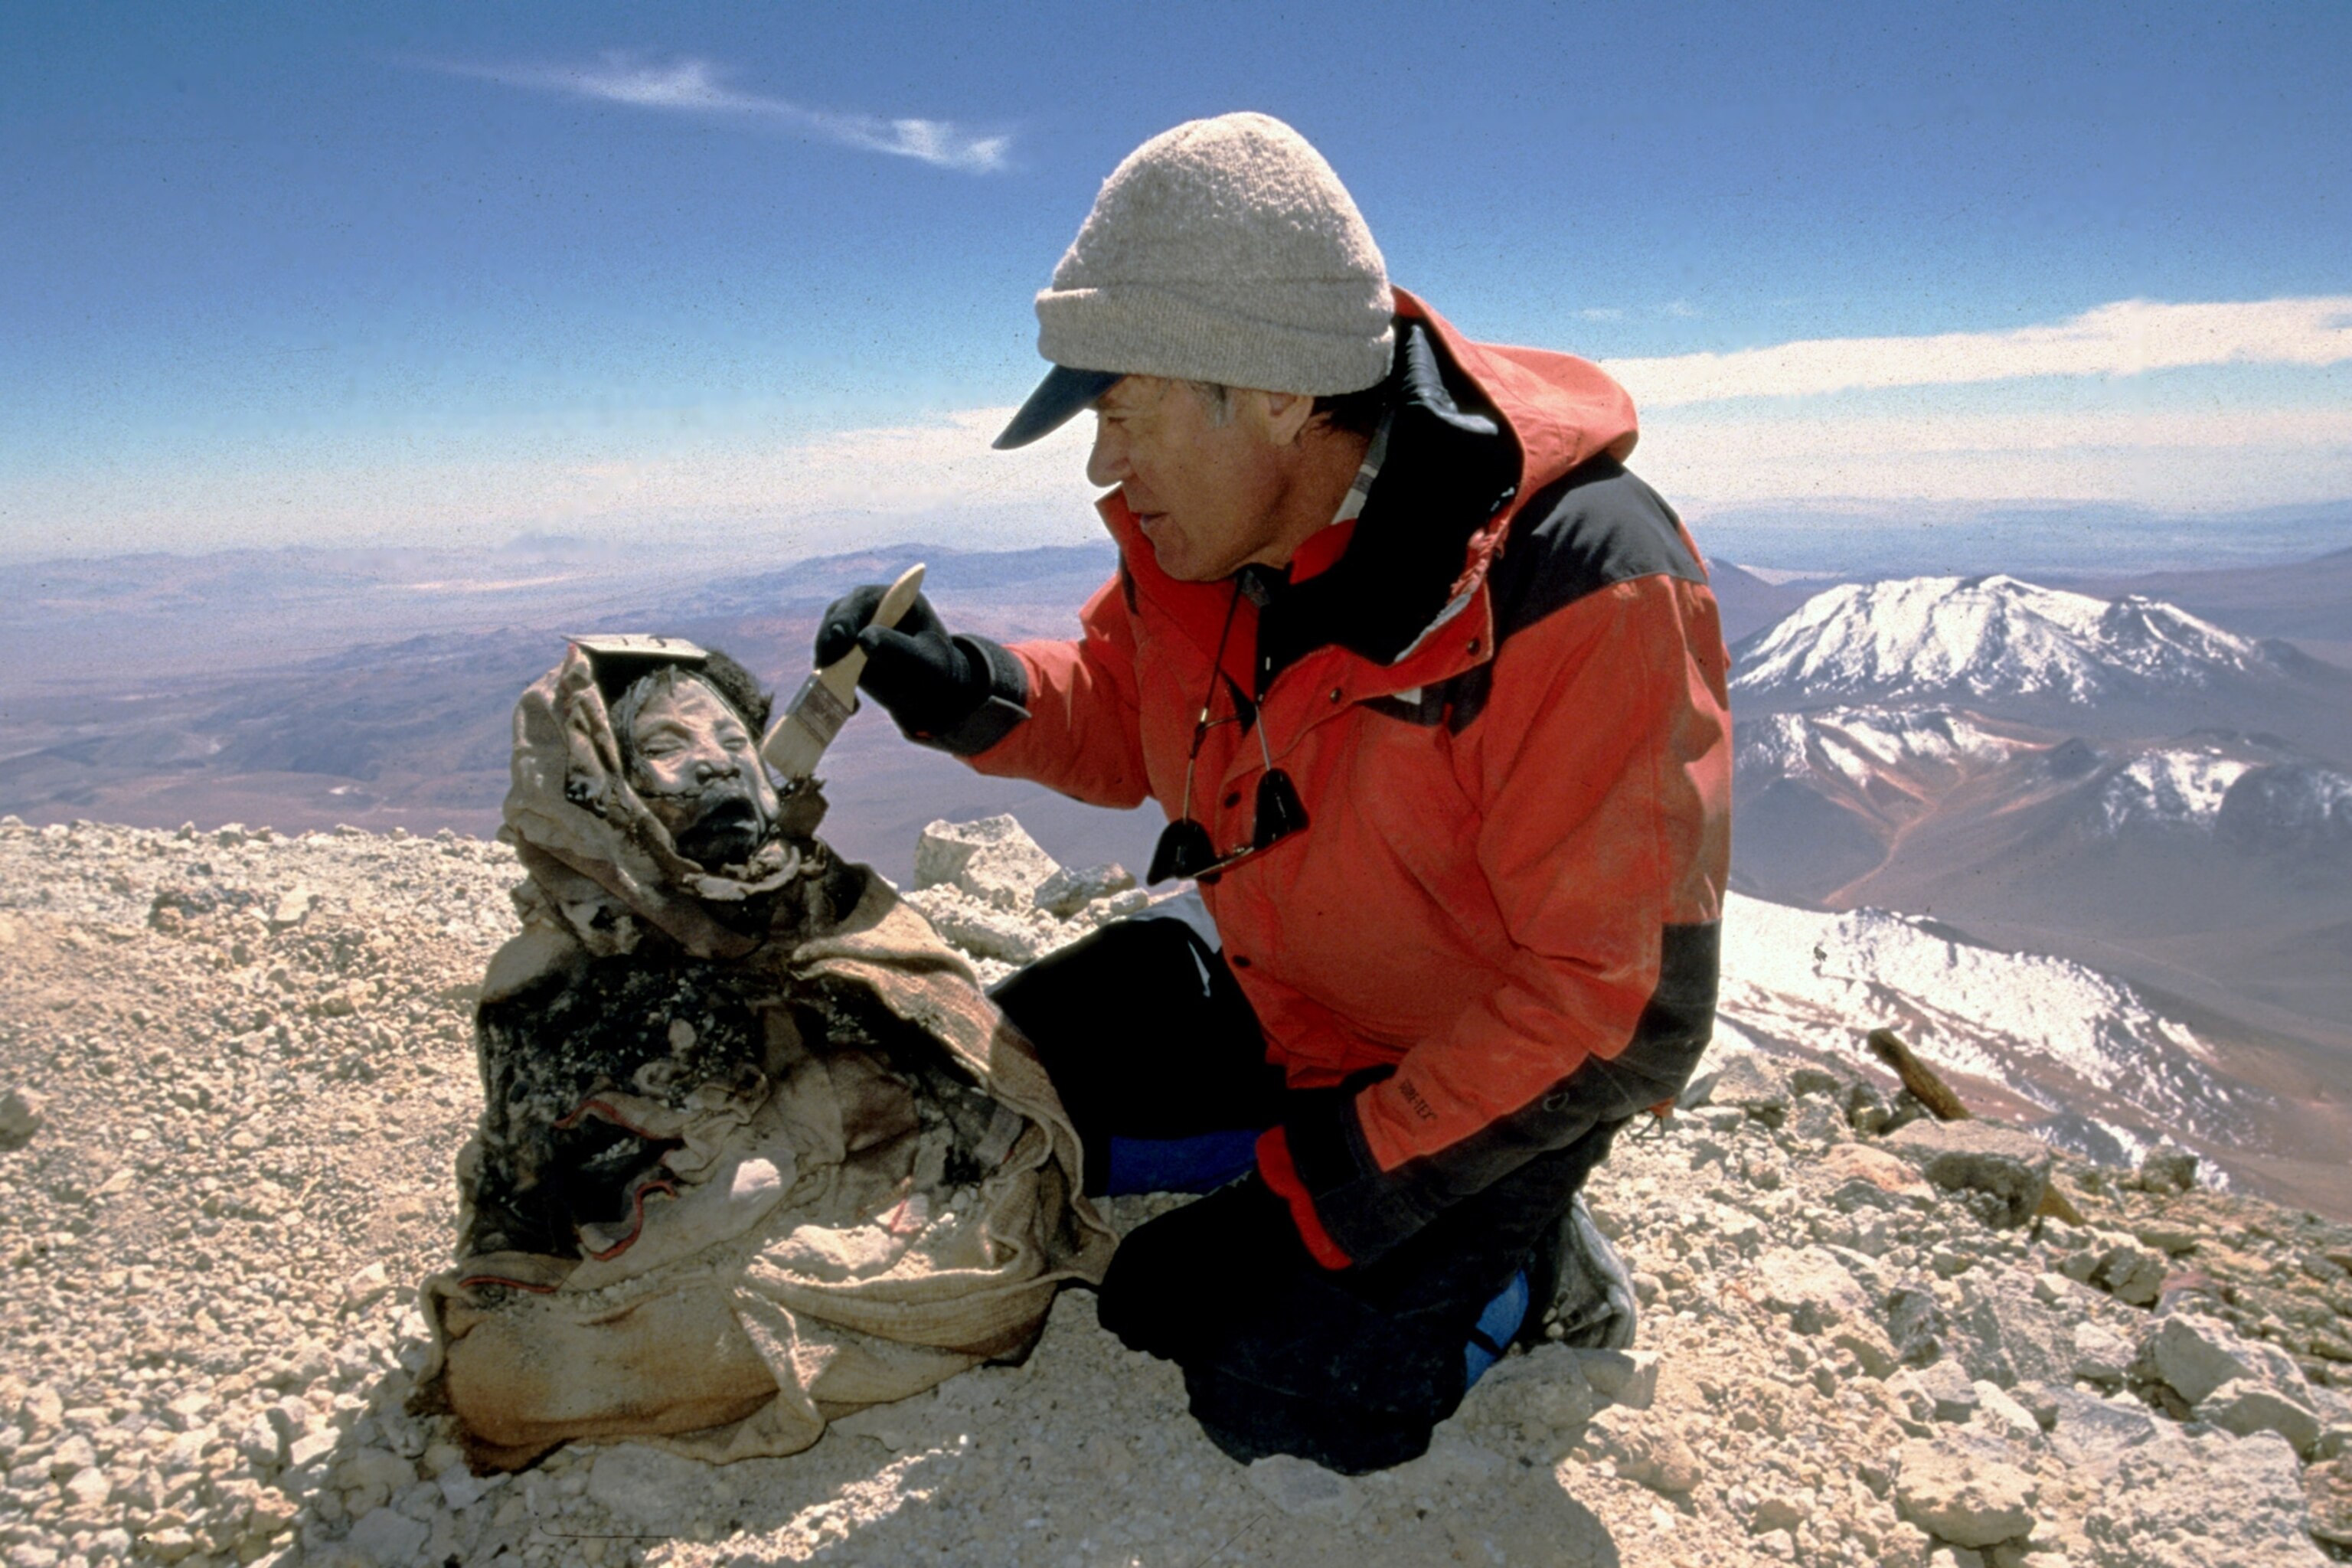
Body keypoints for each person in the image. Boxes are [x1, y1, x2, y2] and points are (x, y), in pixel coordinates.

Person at [815, 112, 1732, 1473]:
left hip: (1472, 1067)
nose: (1101, 469)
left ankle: (1533, 1261)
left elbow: (1625, 1005)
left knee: (1274, 1390)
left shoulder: (1580, 581)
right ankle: (1273, 1140)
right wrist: (963, 686)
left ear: (1279, 396)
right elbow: (1129, 722)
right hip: (1271, 985)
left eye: (1124, 415)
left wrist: (1330, 1188)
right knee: (964, 1095)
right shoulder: (1213, 539)